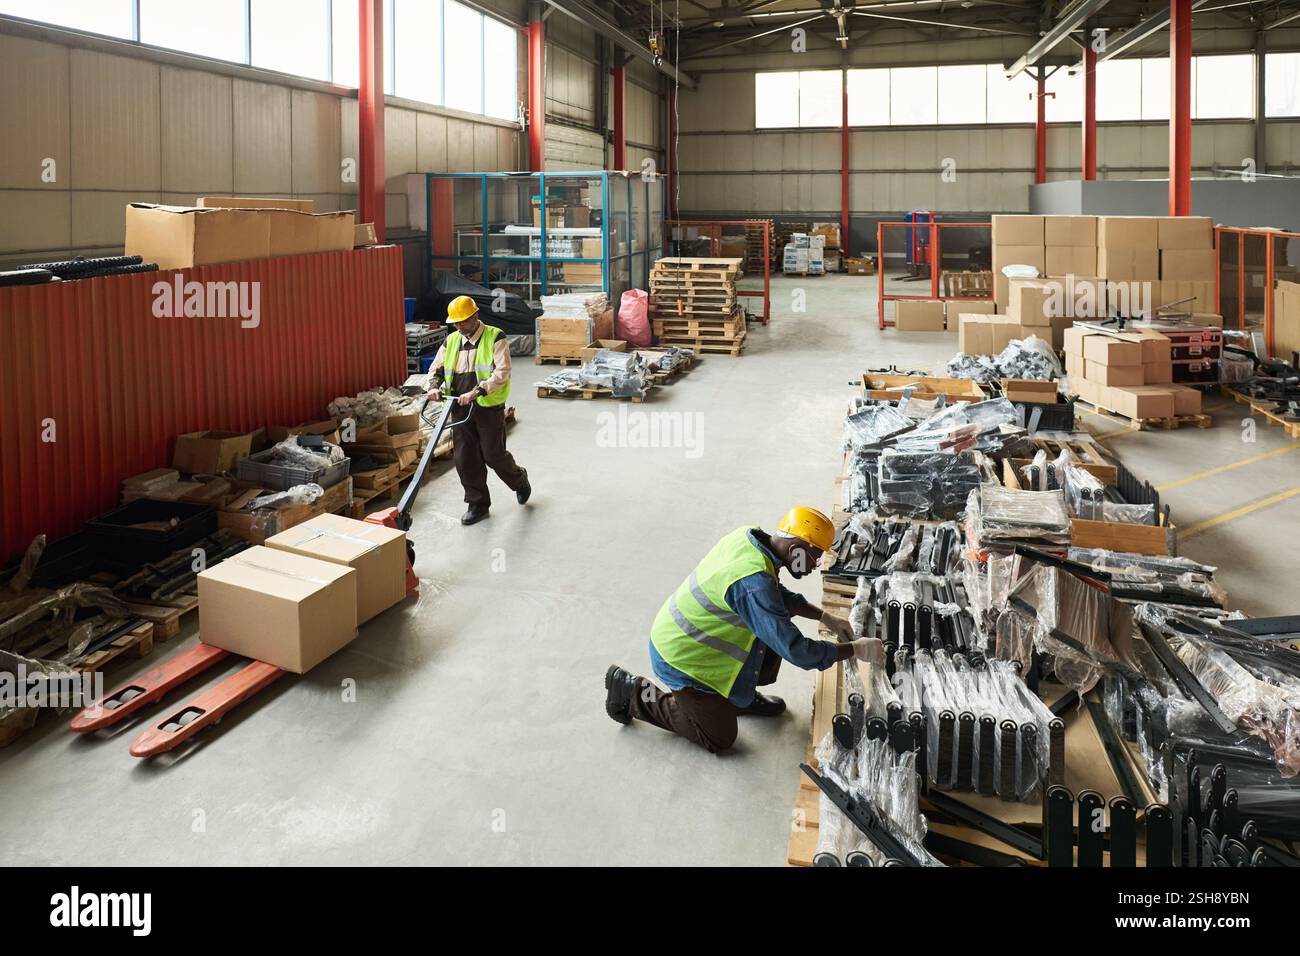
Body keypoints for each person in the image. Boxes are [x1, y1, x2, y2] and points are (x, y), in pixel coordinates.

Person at [604, 506, 883, 754]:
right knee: (719, 738)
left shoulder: (750, 539)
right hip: (681, 660)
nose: (814, 567)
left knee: (772, 631)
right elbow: (799, 652)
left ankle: (738, 698)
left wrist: (824, 616)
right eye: (815, 557)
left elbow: (774, 596)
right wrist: (856, 650)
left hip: (695, 641)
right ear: (797, 548)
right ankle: (634, 694)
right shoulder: (753, 582)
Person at [428, 295, 531, 525]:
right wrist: (433, 387)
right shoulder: (451, 341)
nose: (459, 326)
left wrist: (478, 391)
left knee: (493, 455)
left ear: (475, 316)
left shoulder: (495, 337)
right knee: (465, 457)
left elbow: (501, 373)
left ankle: (519, 479)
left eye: (463, 321)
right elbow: (436, 368)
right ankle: (477, 503)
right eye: (455, 323)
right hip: (459, 408)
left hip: (486, 406)